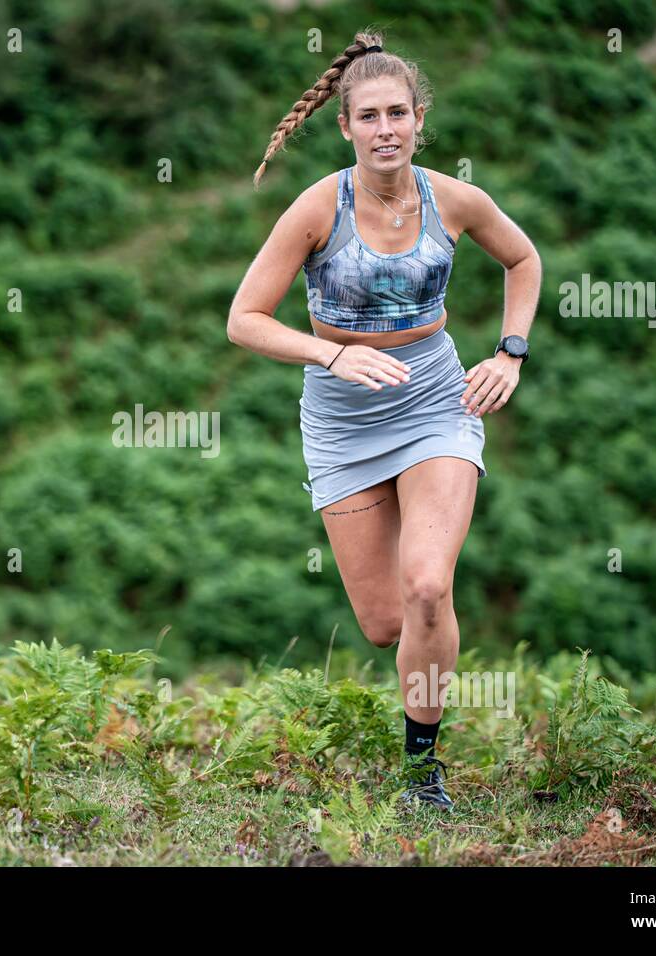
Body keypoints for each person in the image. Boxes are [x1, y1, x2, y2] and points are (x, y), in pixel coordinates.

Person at [227, 30, 541, 810]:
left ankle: (422, 774)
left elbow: (524, 260)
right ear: (346, 127)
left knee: (429, 586)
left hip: (437, 398)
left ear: (420, 117)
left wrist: (508, 353)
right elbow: (244, 319)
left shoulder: (455, 200)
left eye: (398, 112)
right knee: (382, 623)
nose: (386, 129)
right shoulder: (316, 208)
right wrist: (329, 356)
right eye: (369, 116)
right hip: (341, 419)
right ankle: (423, 676)